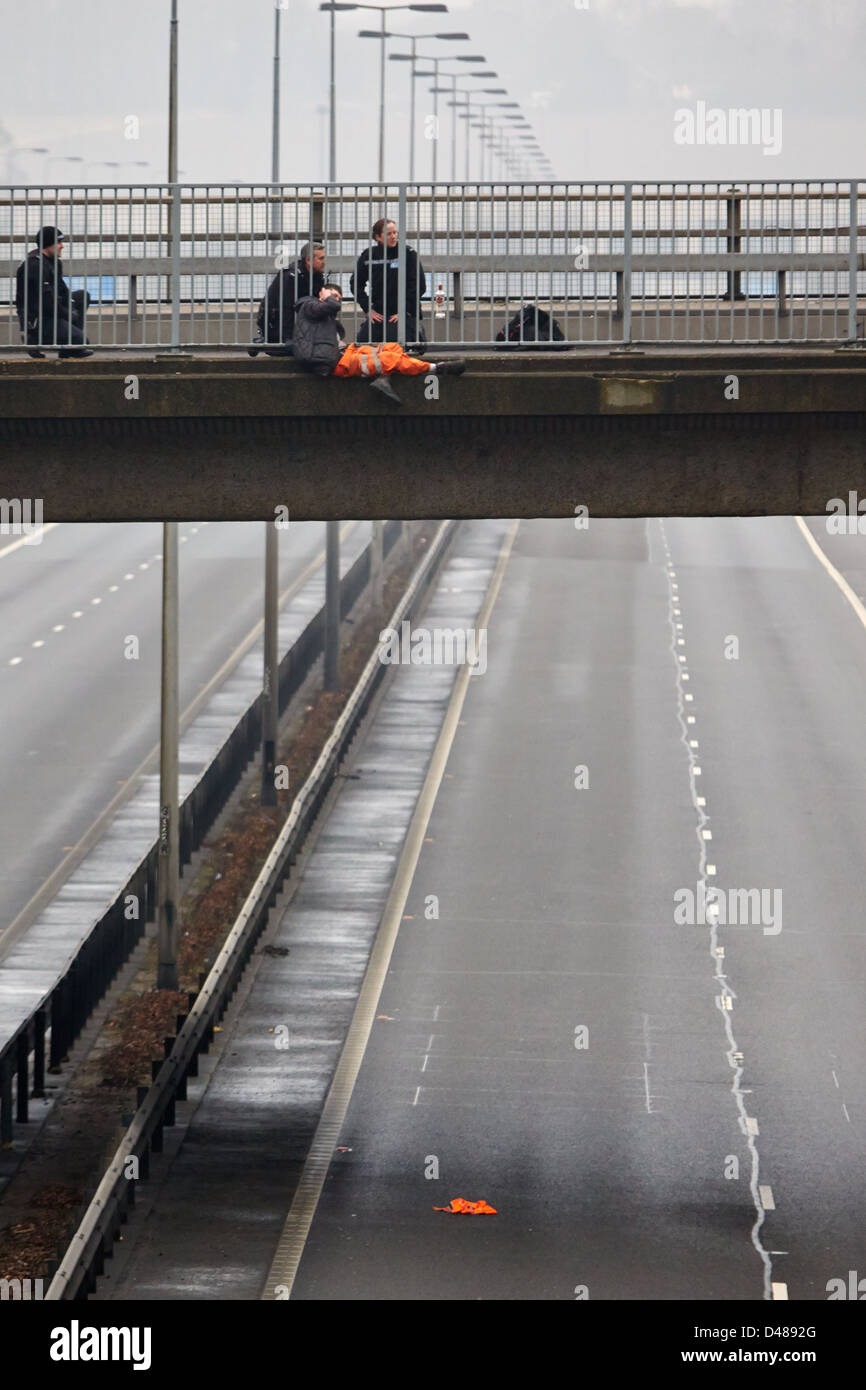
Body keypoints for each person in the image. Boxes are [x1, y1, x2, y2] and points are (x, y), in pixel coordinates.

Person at [292, 284, 464, 404]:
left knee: (392, 348)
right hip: (335, 363)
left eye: (339, 297)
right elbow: (330, 307)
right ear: (322, 294)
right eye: (333, 295)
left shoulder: (328, 320)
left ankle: (383, 378)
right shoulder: (309, 306)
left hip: (345, 352)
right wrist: (328, 298)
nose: (337, 300)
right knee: (389, 359)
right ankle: (436, 368)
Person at [15, 226, 93, 359]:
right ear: (48, 244)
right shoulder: (34, 266)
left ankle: (67, 349)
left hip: (53, 311)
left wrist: (71, 305)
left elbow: (62, 289)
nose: (62, 246)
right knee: (81, 342)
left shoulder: (54, 263)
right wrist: (67, 314)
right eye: (59, 242)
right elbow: (45, 302)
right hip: (39, 319)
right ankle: (34, 339)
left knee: (81, 296)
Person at [351, 219, 427, 347]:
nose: (393, 236)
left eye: (395, 233)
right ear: (378, 237)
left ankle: (416, 333)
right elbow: (356, 283)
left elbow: (419, 285)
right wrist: (368, 309)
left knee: (395, 344)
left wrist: (406, 309)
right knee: (363, 343)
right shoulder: (369, 255)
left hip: (403, 312)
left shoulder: (408, 253)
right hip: (380, 312)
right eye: (388, 234)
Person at [249, 241, 325, 356]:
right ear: (309, 260)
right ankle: (262, 343)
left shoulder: (317, 276)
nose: (324, 262)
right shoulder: (291, 276)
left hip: (298, 321)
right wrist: (288, 337)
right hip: (276, 321)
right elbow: (285, 308)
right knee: (292, 350)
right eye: (321, 258)